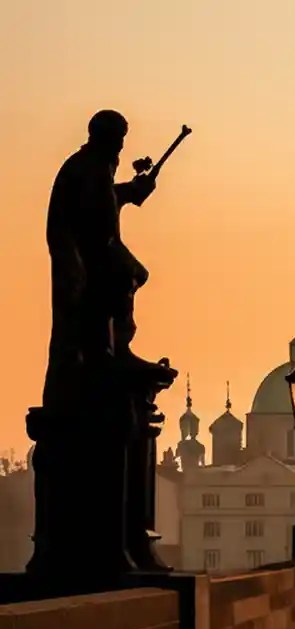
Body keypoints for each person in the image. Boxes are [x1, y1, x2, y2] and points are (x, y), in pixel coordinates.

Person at [44, 109, 161, 409]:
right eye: (118, 140)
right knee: (125, 278)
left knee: (128, 277)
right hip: (86, 262)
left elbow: (104, 198)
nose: (121, 147)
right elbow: (97, 224)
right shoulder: (89, 168)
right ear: (103, 138)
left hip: (90, 257)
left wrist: (129, 191)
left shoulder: (90, 166)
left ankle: (114, 348)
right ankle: (110, 352)